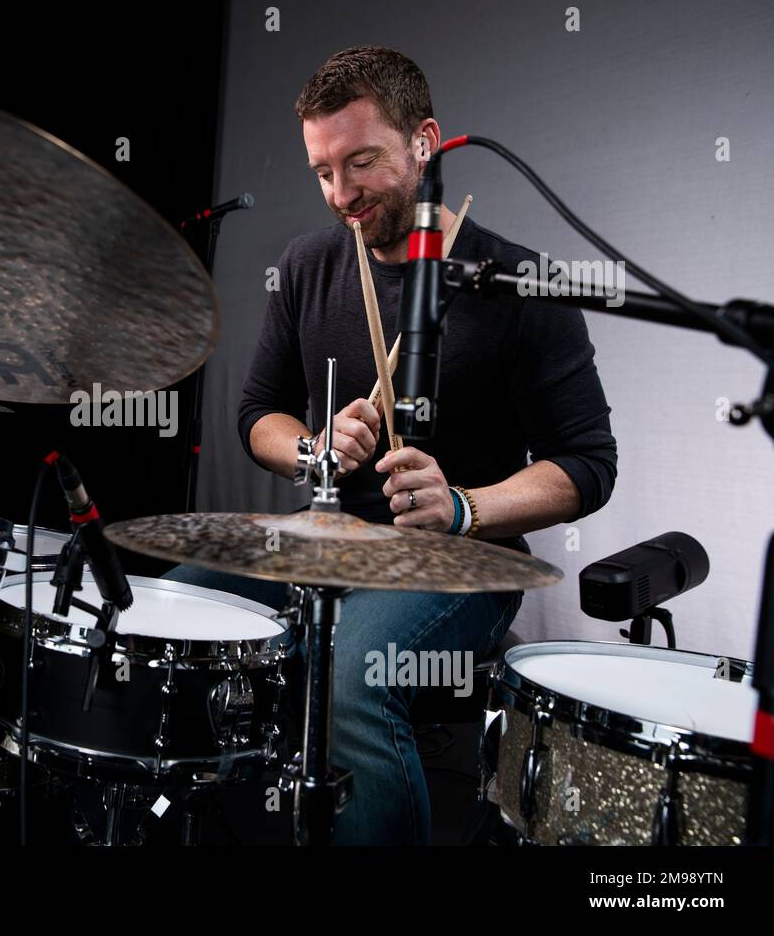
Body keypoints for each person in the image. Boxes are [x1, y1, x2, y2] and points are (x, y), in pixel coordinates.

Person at [167, 45, 617, 844]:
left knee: (351, 678)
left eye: (361, 162)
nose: (340, 194)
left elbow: (587, 463)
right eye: (322, 172)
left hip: (470, 561)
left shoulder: (518, 283)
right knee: (176, 607)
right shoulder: (309, 264)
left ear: (425, 142)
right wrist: (315, 452)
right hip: (332, 535)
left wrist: (462, 506)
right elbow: (259, 412)